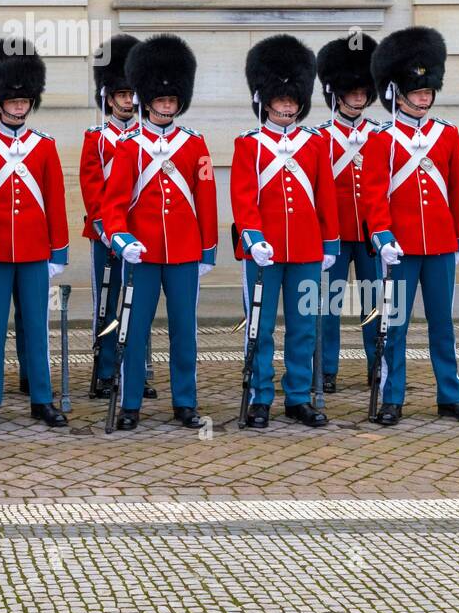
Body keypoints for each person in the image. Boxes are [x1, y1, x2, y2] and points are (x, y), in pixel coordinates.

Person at [361, 26, 459, 427]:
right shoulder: (382, 139)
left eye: (427, 92)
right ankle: (391, 396)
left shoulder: (446, 134)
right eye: (417, 93)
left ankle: (451, 395)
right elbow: (374, 195)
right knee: (394, 325)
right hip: (400, 248)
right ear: (398, 92)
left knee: (442, 325)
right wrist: (382, 237)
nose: (424, 98)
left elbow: (458, 189)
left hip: (440, 247)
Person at [101, 34, 217, 431]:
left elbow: (206, 200)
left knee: (185, 333)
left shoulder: (194, 144)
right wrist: (121, 239)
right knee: (134, 333)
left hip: (184, 254)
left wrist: (208, 251)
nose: (167, 106)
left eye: (172, 101)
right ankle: (130, 402)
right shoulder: (129, 147)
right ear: (147, 100)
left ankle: (185, 401)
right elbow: (112, 204)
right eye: (161, 100)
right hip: (143, 255)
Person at [230, 34, 339, 430]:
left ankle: (297, 397)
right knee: (259, 329)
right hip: (264, 252)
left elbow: (326, 197)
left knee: (302, 328)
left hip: (307, 249)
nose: (288, 105)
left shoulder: (314, 143)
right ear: (265, 98)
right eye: (281, 99)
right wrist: (254, 238)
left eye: (294, 99)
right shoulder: (249, 145)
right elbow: (243, 200)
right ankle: (261, 396)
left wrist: (329, 243)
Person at [0, 37, 69, 430]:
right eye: (12, 100)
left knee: (36, 328)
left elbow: (55, 201)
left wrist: (58, 252)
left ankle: (42, 398)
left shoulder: (44, 147)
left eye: (24, 100)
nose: (19, 106)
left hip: (35, 252)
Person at [316, 33, 380, 391]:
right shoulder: (320, 137)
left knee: (375, 302)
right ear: (337, 93)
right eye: (352, 90)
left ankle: (377, 364)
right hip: (335, 235)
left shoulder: (380, 134)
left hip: (371, 235)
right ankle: (326, 368)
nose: (358, 96)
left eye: (363, 91)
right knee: (327, 306)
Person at [79, 33, 138, 397]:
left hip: (142, 235)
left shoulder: (151, 136)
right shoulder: (97, 137)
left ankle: (137, 369)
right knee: (109, 302)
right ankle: (104, 371)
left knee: (139, 304)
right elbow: (92, 188)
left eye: (132, 94)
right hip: (107, 236)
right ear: (109, 97)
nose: (128, 101)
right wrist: (107, 231)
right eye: (122, 95)